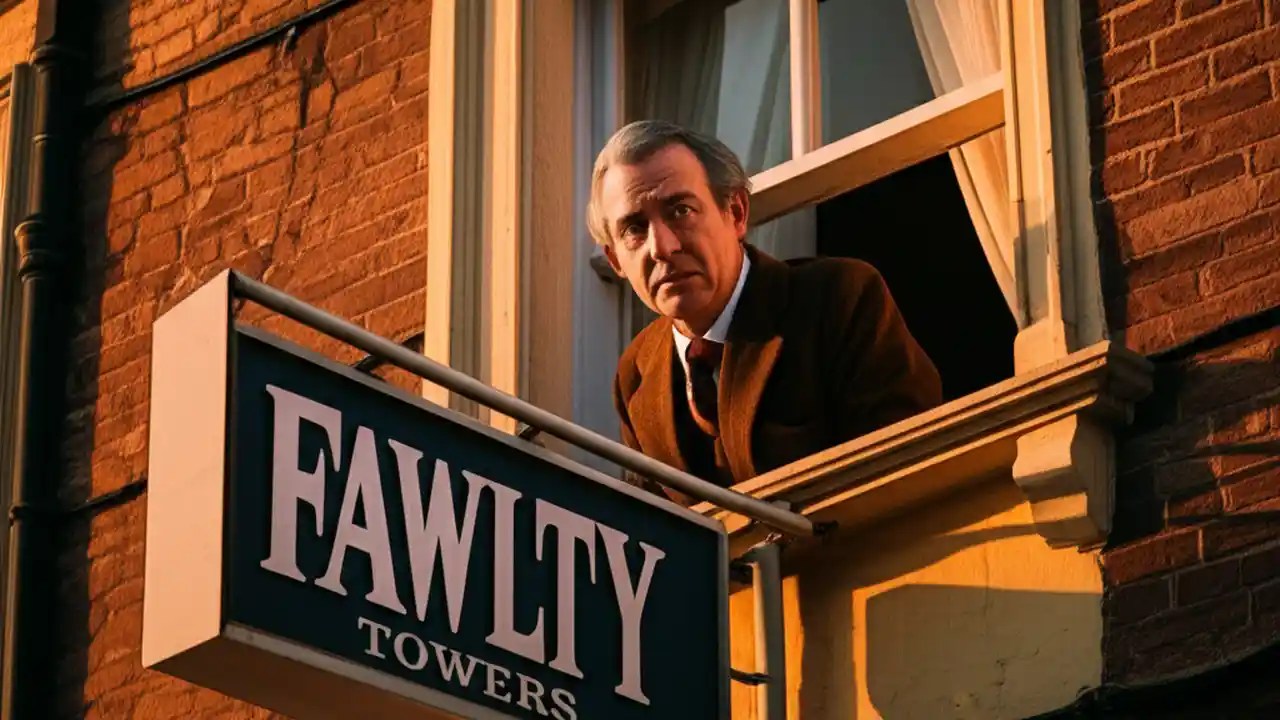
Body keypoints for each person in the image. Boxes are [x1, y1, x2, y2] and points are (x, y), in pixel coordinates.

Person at [589, 120, 942, 505]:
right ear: (615, 260)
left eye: (680, 210)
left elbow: (912, 475)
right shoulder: (635, 375)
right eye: (634, 229)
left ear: (736, 213)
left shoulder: (837, 300)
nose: (661, 246)